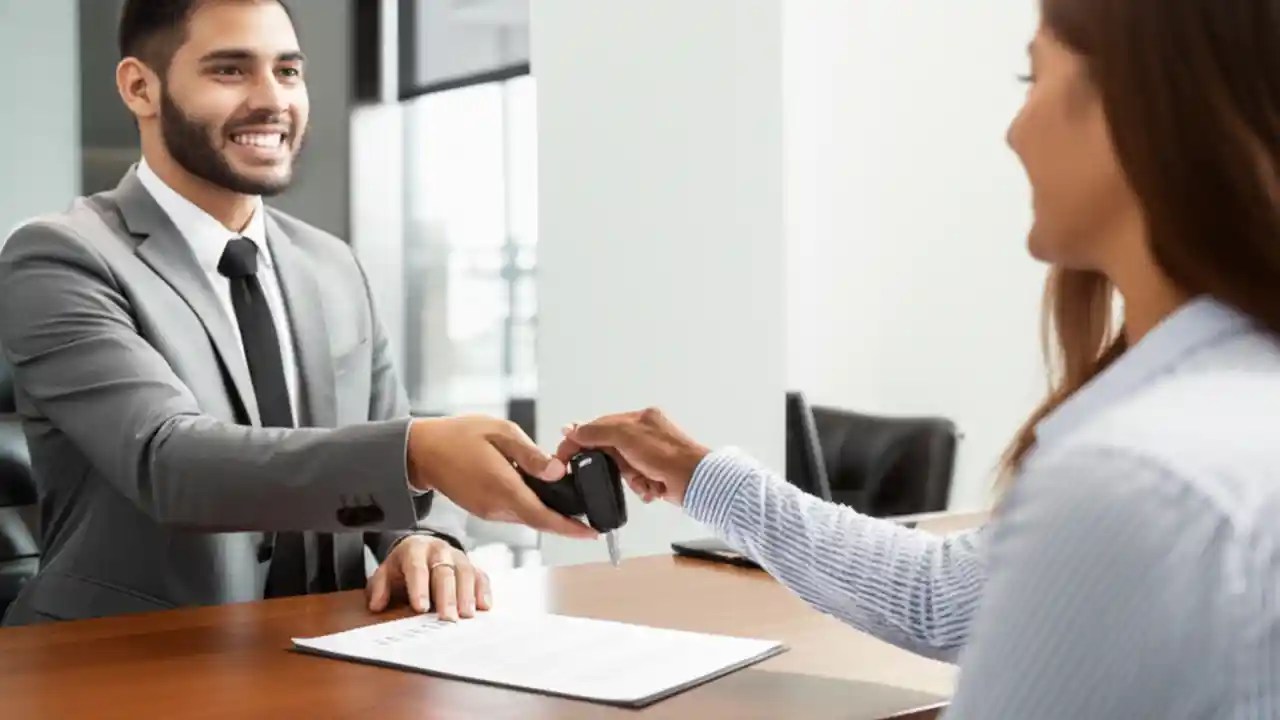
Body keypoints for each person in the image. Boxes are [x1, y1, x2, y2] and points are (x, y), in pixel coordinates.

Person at [559, 0, 1280, 715]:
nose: (1014, 132)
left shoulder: (1136, 486)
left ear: (1140, 108)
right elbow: (944, 599)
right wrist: (702, 476)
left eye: (1032, 79)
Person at [0, 0, 595, 628]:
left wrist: (422, 544)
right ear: (140, 87)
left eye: (287, 71)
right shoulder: (59, 256)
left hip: (329, 657)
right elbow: (167, 461)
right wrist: (417, 452)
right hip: (125, 658)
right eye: (230, 71)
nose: (271, 100)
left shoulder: (333, 264)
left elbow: (395, 463)